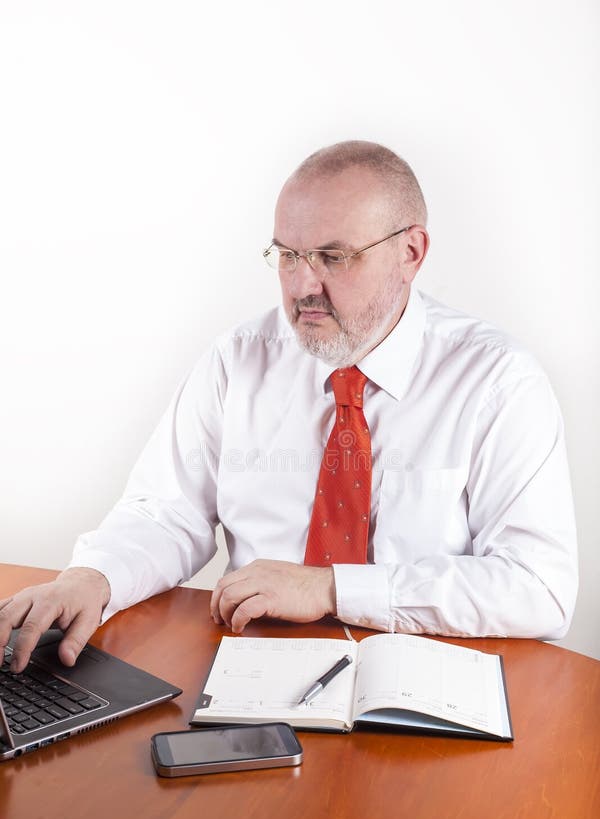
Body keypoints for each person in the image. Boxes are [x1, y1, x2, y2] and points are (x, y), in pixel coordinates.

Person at [0, 141, 578, 674]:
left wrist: (332, 589)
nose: (303, 284)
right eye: (288, 254)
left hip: (425, 683)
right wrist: (91, 577)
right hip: (254, 671)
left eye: (334, 256)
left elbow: (539, 588)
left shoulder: (498, 380)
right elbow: (166, 514)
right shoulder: (239, 361)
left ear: (410, 252)